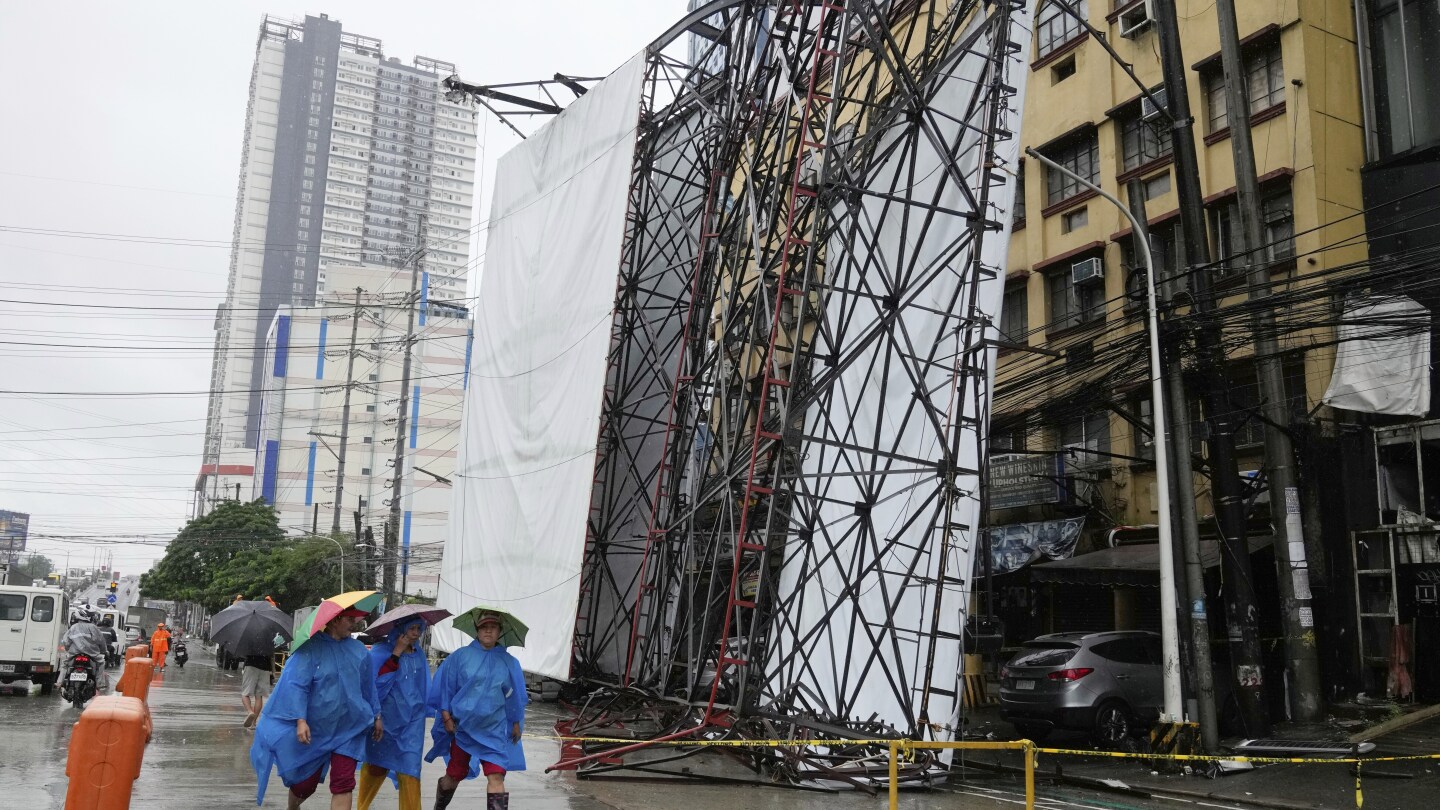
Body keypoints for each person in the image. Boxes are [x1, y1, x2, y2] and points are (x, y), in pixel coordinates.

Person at [250, 608, 382, 809]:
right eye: (349, 619)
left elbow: (368, 687)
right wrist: (300, 720)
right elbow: (296, 686)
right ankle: (293, 806)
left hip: (350, 728)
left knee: (343, 783)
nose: (354, 622)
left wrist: (376, 714)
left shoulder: (360, 651)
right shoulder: (309, 649)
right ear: (335, 620)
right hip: (316, 729)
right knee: (305, 785)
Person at [425, 612, 526, 810]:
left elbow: (513, 696)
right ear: (476, 630)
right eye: (483, 627)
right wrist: (446, 717)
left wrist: (515, 722)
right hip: (463, 729)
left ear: (500, 631)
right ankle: (439, 805)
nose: (488, 630)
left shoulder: (508, 662)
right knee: (454, 775)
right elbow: (447, 687)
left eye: (493, 627)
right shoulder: (460, 657)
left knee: (496, 775)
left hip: (493, 731)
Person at [356, 619, 430, 810]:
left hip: (412, 724)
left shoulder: (418, 654)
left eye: (418, 629)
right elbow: (373, 689)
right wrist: (396, 653)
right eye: (411, 629)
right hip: (385, 723)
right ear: (400, 630)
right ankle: (361, 806)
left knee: (410, 771)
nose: (415, 633)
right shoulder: (379, 653)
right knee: (376, 765)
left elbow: (422, 687)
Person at [60, 609, 111, 692]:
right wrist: (104, 651)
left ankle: (59, 682)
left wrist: (67, 649)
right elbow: (101, 641)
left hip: (74, 653)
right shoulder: (93, 627)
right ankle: (100, 684)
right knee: (101, 663)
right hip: (92, 654)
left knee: (65, 664)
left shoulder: (73, 627)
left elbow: (66, 641)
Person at [241, 651, 275, 730]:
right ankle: (253, 723)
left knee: (245, 694)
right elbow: (272, 657)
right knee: (259, 696)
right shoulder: (269, 640)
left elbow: (244, 653)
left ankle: (250, 712)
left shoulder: (249, 639)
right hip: (265, 668)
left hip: (251, 665)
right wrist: (273, 671)